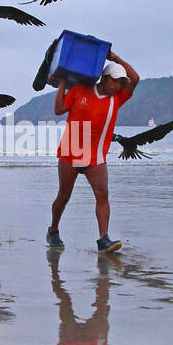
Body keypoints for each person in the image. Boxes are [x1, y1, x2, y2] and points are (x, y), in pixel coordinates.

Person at [48, 51, 140, 253]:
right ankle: (53, 230)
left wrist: (115, 57)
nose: (118, 86)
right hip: (70, 151)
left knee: (102, 194)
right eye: (115, 81)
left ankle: (103, 239)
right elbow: (59, 109)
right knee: (64, 195)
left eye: (120, 83)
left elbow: (135, 78)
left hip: (95, 155)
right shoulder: (81, 89)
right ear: (105, 78)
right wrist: (62, 82)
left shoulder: (118, 98)